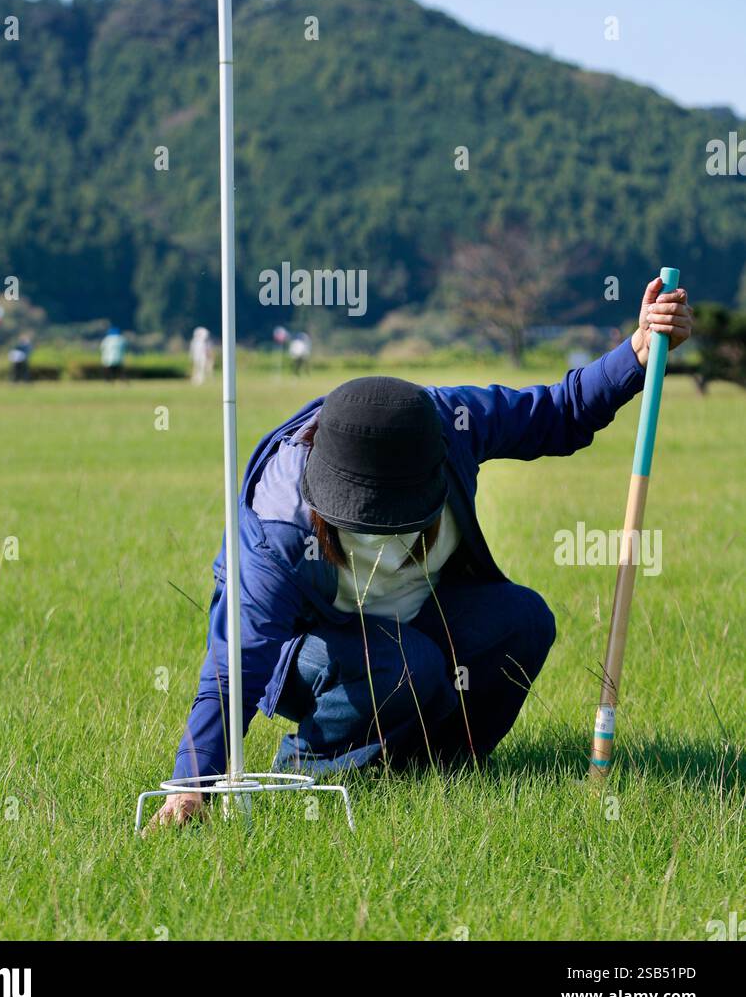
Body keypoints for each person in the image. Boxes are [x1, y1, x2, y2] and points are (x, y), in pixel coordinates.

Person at [150, 278, 693, 827]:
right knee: (407, 663)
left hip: (416, 619)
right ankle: (316, 773)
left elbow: (560, 411)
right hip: (309, 651)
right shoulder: (276, 525)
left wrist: (638, 352)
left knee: (521, 621)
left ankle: (439, 769)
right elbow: (234, 666)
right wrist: (194, 785)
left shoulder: (452, 422)